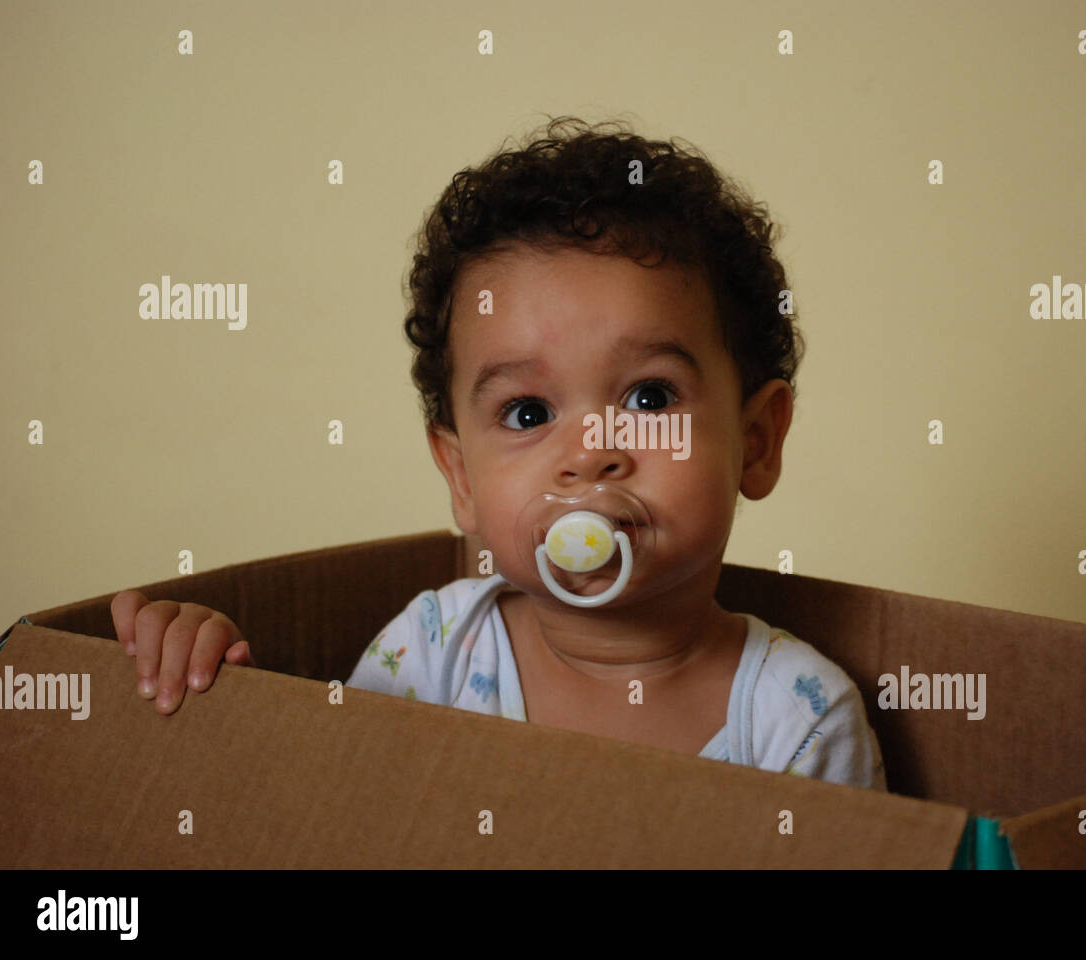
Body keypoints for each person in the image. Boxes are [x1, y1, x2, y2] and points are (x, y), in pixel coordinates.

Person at [110, 116, 887, 791]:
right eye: (527, 411)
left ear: (756, 442)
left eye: (649, 399)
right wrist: (225, 695)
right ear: (461, 478)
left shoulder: (798, 719)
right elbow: (326, 814)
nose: (589, 455)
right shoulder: (435, 654)